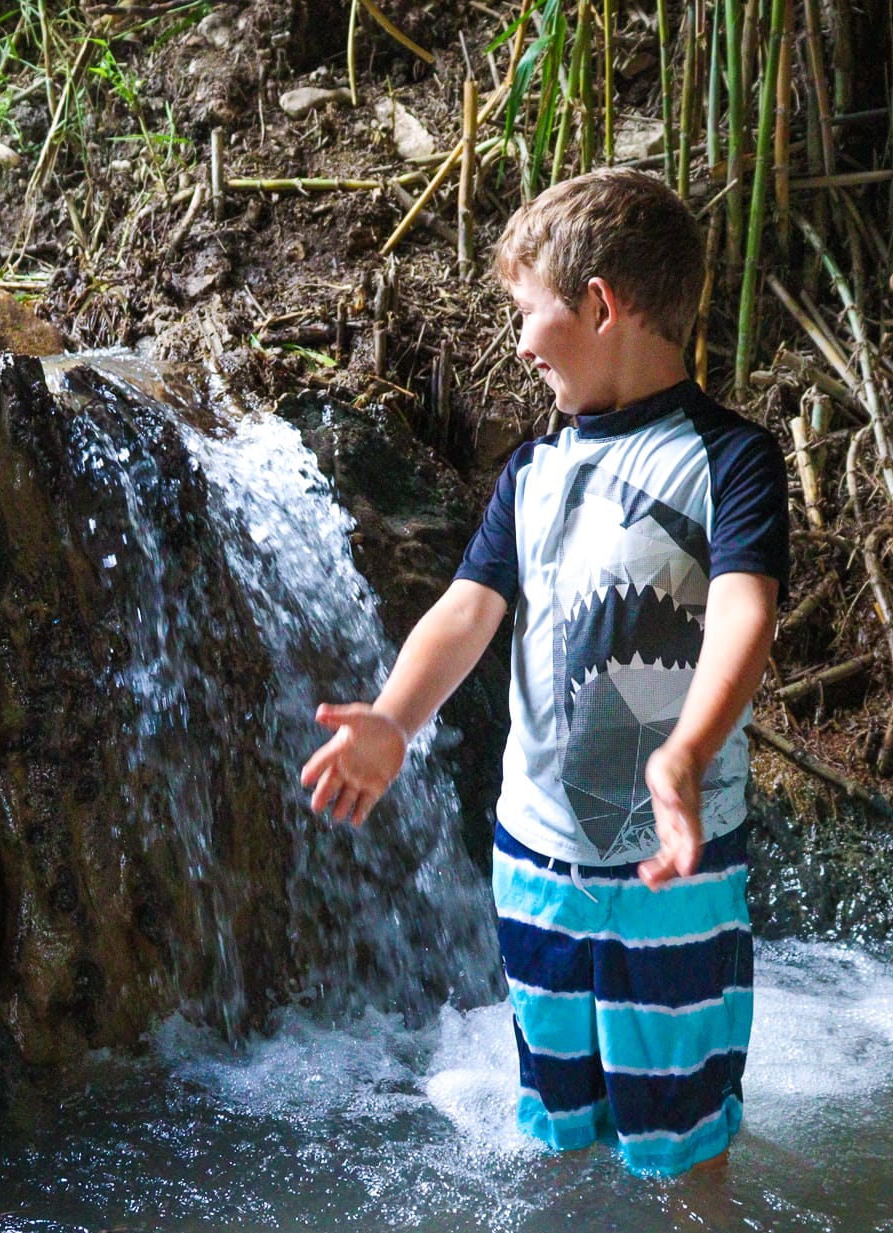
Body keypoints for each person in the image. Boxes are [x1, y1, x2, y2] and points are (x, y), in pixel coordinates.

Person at [299, 167, 789, 1177]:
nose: (519, 342)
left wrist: (686, 751)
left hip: (670, 876)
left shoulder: (727, 460)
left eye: (528, 312)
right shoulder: (532, 471)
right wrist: (393, 720)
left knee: (684, 1135)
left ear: (600, 306)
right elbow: (468, 608)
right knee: (555, 1124)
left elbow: (744, 607)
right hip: (532, 869)